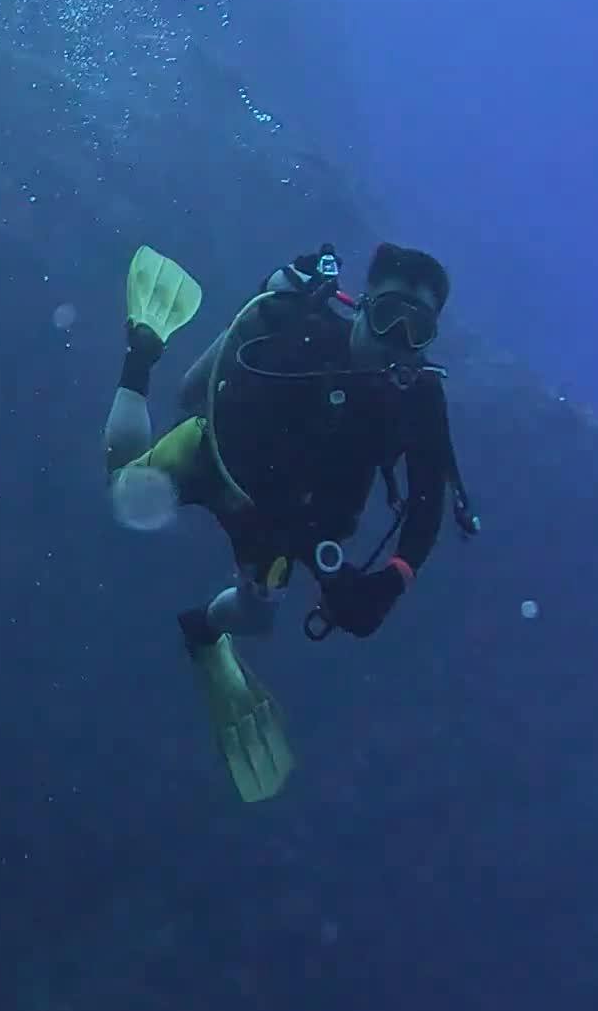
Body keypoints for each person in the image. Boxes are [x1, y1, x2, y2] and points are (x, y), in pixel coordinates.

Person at [103, 240, 477, 803]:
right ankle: (142, 352)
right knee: (125, 492)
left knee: (256, 617)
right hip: (216, 454)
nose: (397, 341)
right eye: (387, 316)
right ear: (362, 302)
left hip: (287, 521)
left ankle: (204, 633)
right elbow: (197, 394)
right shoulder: (301, 329)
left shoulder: (419, 400)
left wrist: (392, 579)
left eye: (416, 329)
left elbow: (427, 503)